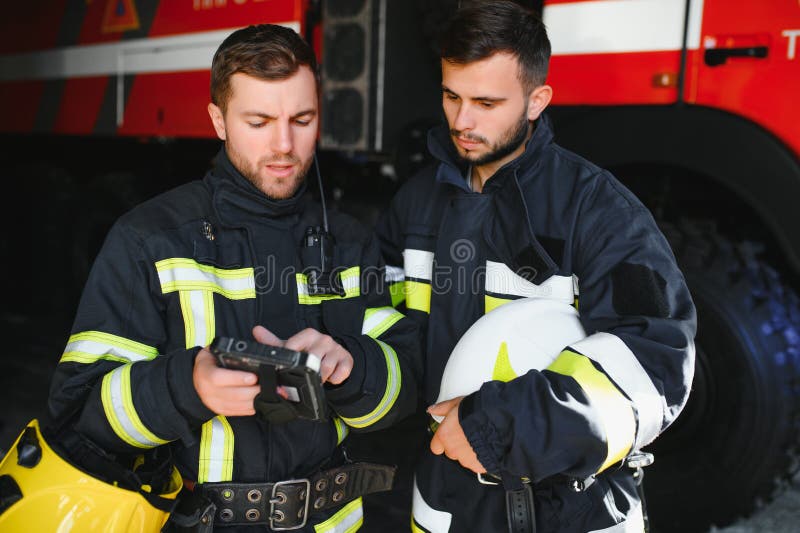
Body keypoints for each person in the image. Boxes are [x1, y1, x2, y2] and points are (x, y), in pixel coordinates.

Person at [45, 24, 421, 532]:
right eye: (259, 121)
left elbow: (403, 390)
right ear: (218, 121)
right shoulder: (149, 239)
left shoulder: (351, 243)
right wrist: (188, 387)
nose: (285, 144)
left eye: (302, 119)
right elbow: (78, 416)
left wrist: (351, 368)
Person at [376, 2, 697, 532]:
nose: (462, 120)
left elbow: (655, 362)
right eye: (451, 96)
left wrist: (497, 428)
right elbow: (387, 330)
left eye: (486, 101)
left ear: (536, 100)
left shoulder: (597, 210)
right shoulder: (415, 205)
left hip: (569, 509)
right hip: (445, 502)